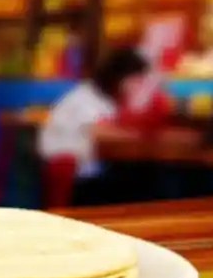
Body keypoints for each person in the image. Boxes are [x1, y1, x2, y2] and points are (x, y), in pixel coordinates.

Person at [39, 48, 152, 182]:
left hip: (87, 166)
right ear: (120, 77)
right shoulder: (87, 97)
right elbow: (100, 132)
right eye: (136, 80)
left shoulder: (104, 98)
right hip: (76, 172)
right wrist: (138, 134)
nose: (138, 86)